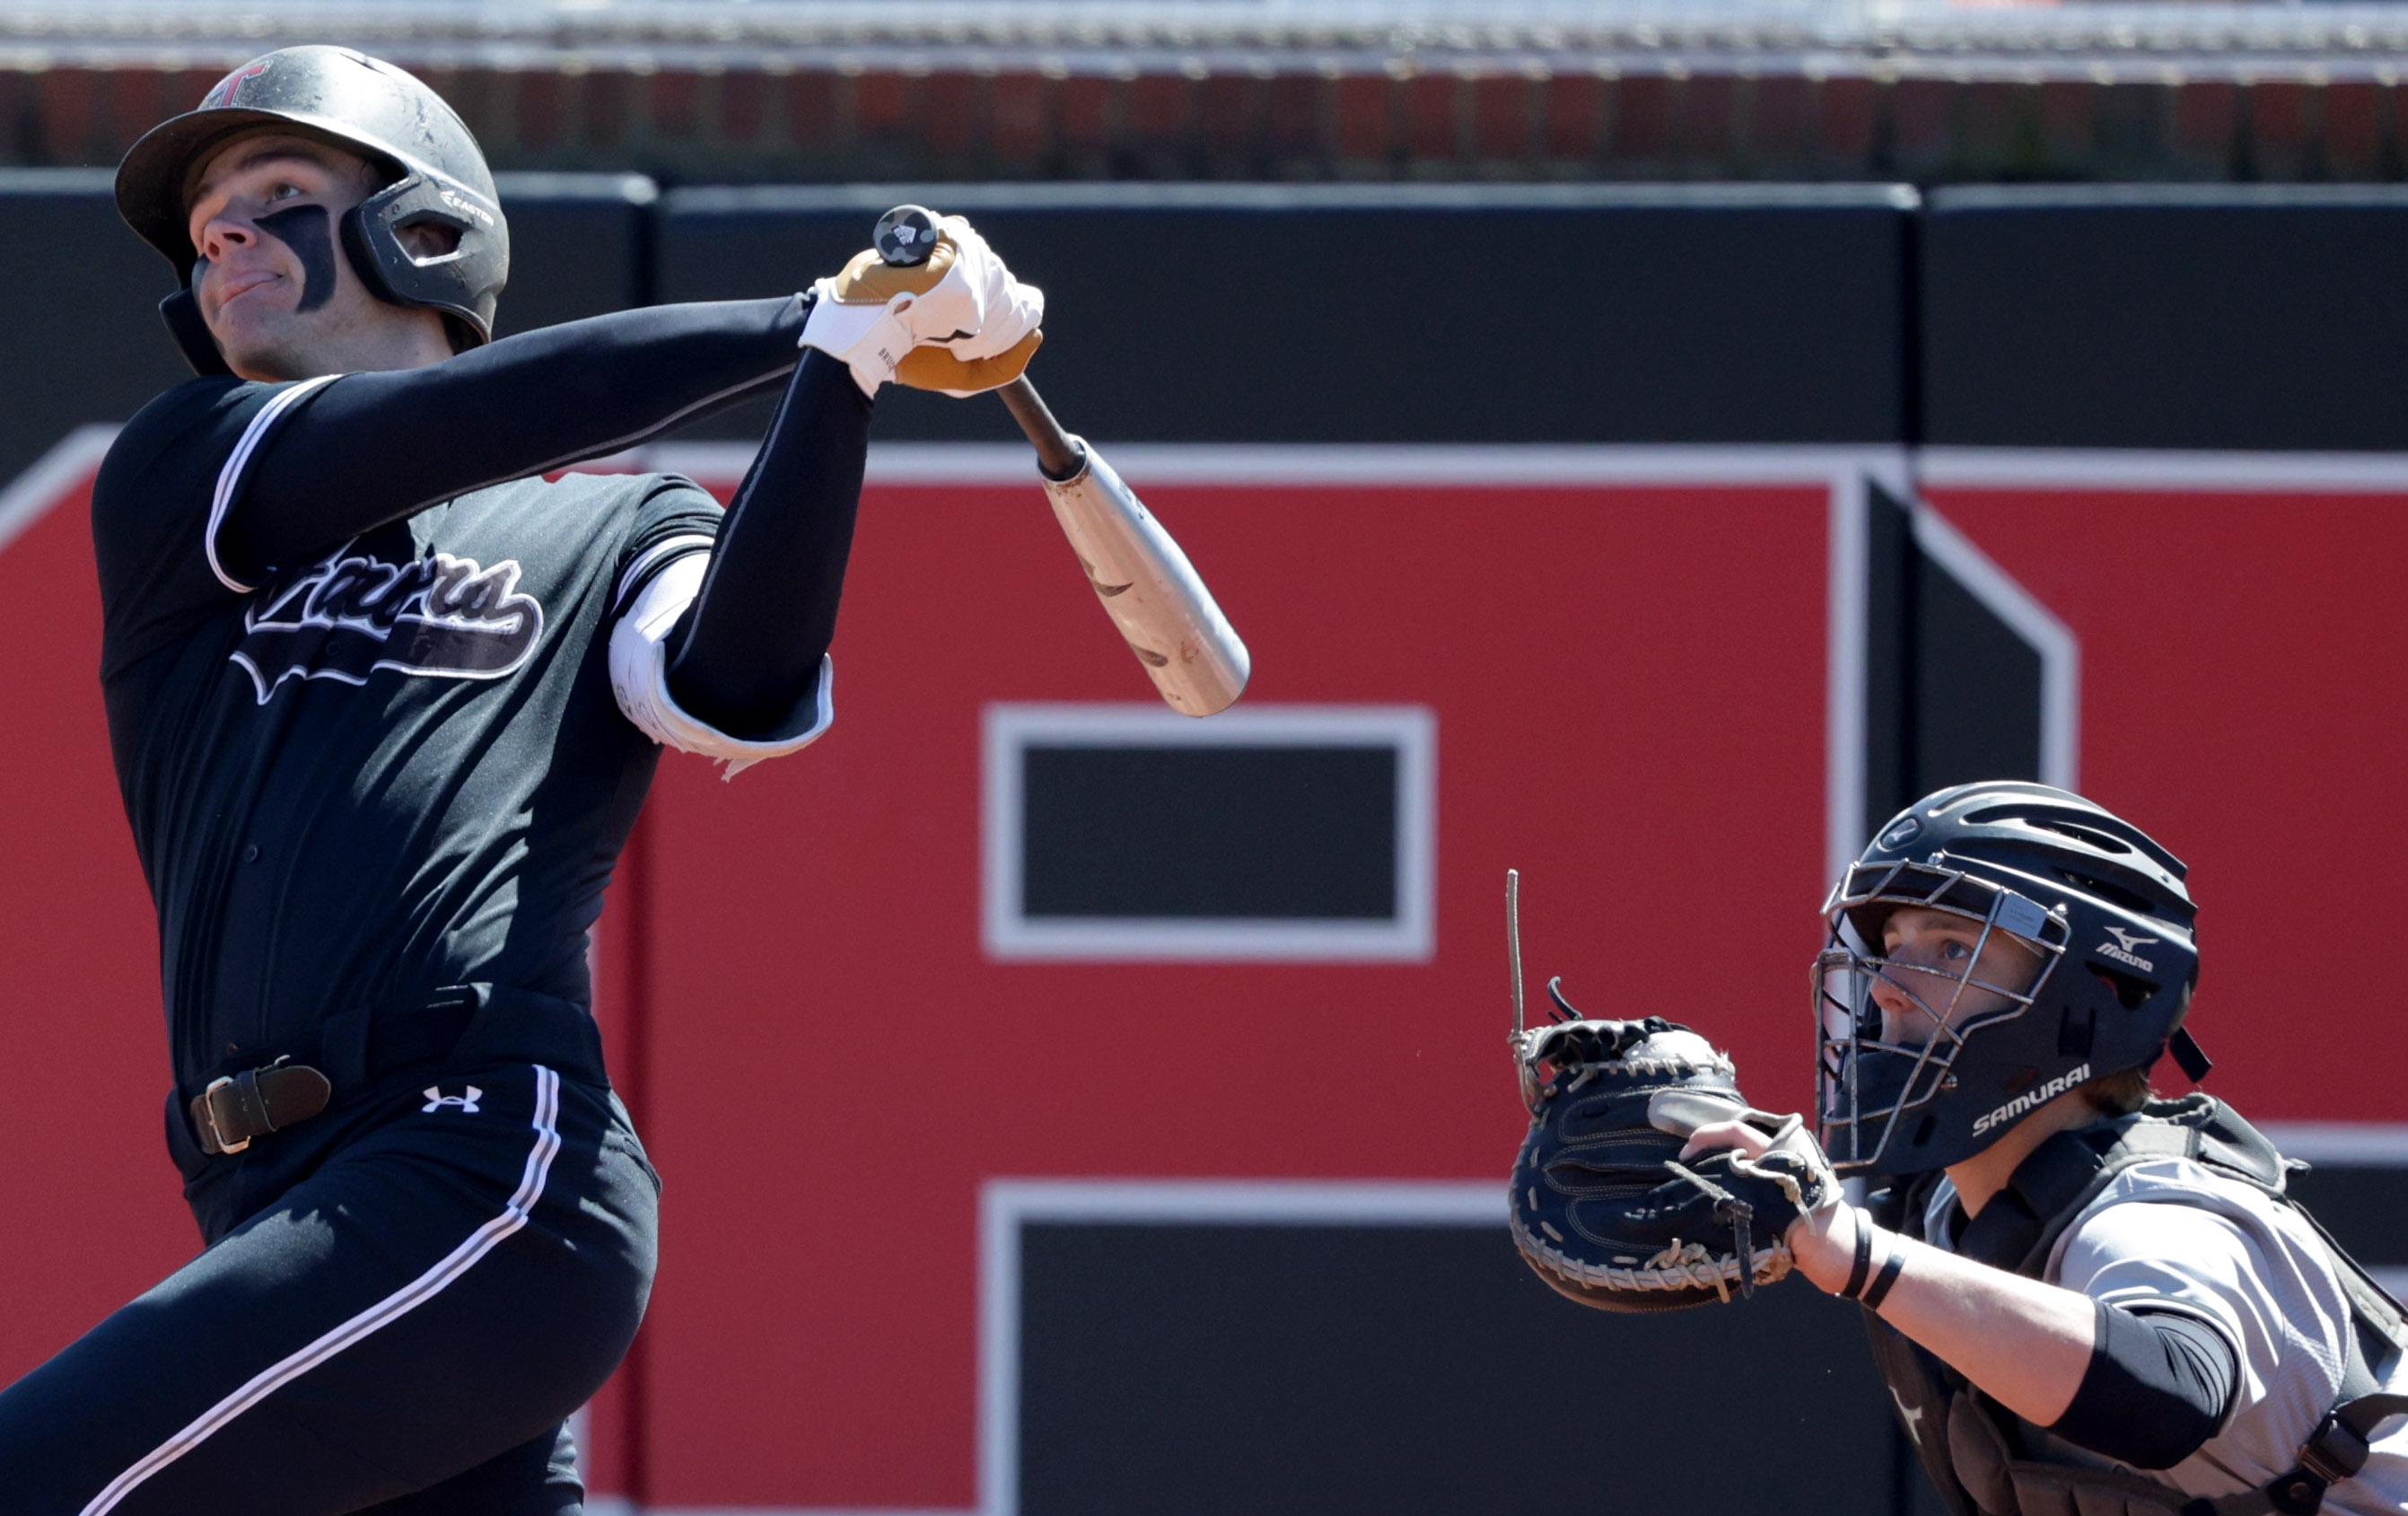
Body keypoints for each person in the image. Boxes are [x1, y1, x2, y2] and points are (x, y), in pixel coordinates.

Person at [0, 45, 1041, 1515]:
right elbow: (461, 424)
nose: (220, 229)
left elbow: (727, 685)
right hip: (265, 1198)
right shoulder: (188, 480)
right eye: (207, 217)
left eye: (278, 192)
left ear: (420, 232)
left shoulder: (616, 525)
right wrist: (806, 318)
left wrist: (842, 370)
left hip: (476, 1155)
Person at [1684, 781, 2408, 1515]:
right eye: (1892, 946)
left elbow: (2169, 1393)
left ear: (2083, 998)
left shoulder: (2159, 1211)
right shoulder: (1947, 1213)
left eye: (1949, 947)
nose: (1886, 989)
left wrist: (1859, 1257)